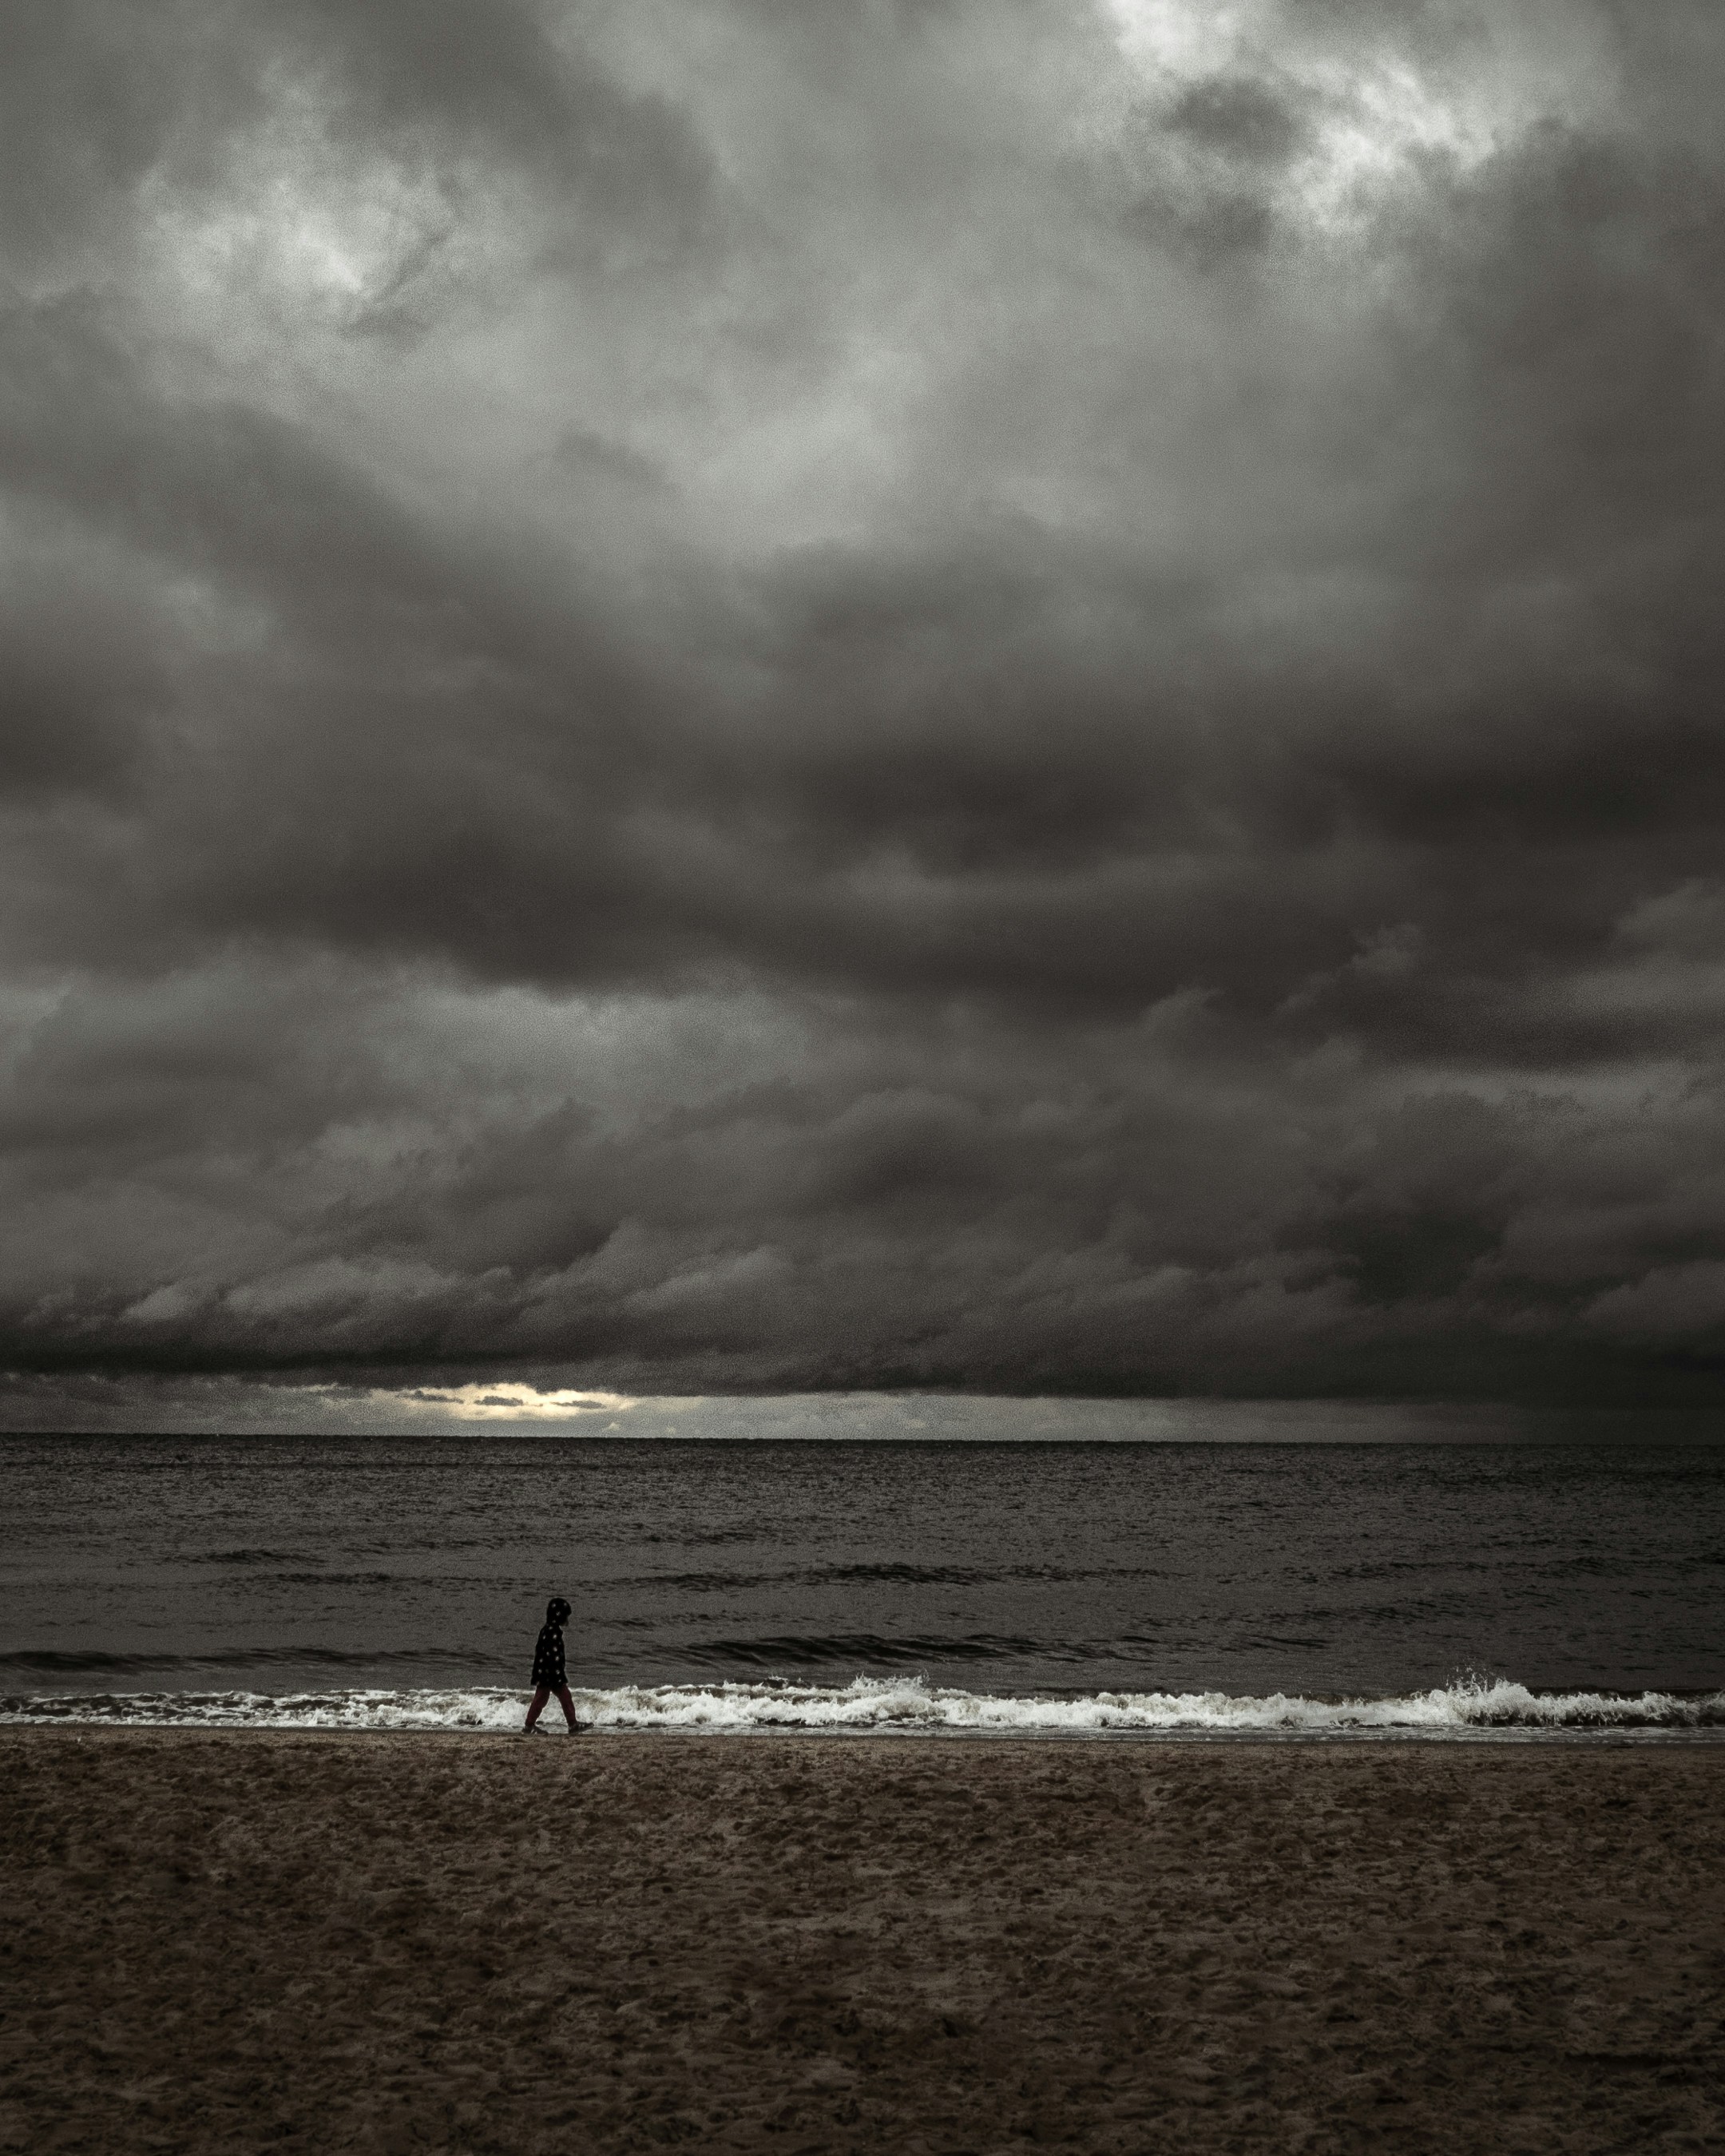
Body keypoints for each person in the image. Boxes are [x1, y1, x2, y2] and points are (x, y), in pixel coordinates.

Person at [523, 1595, 580, 1733]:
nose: (567, 1620)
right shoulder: (552, 1632)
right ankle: (572, 1725)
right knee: (550, 1698)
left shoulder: (547, 1630)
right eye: (565, 1616)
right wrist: (557, 1672)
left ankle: (529, 1726)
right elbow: (552, 1655)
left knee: (546, 1698)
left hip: (546, 1672)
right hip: (551, 1673)